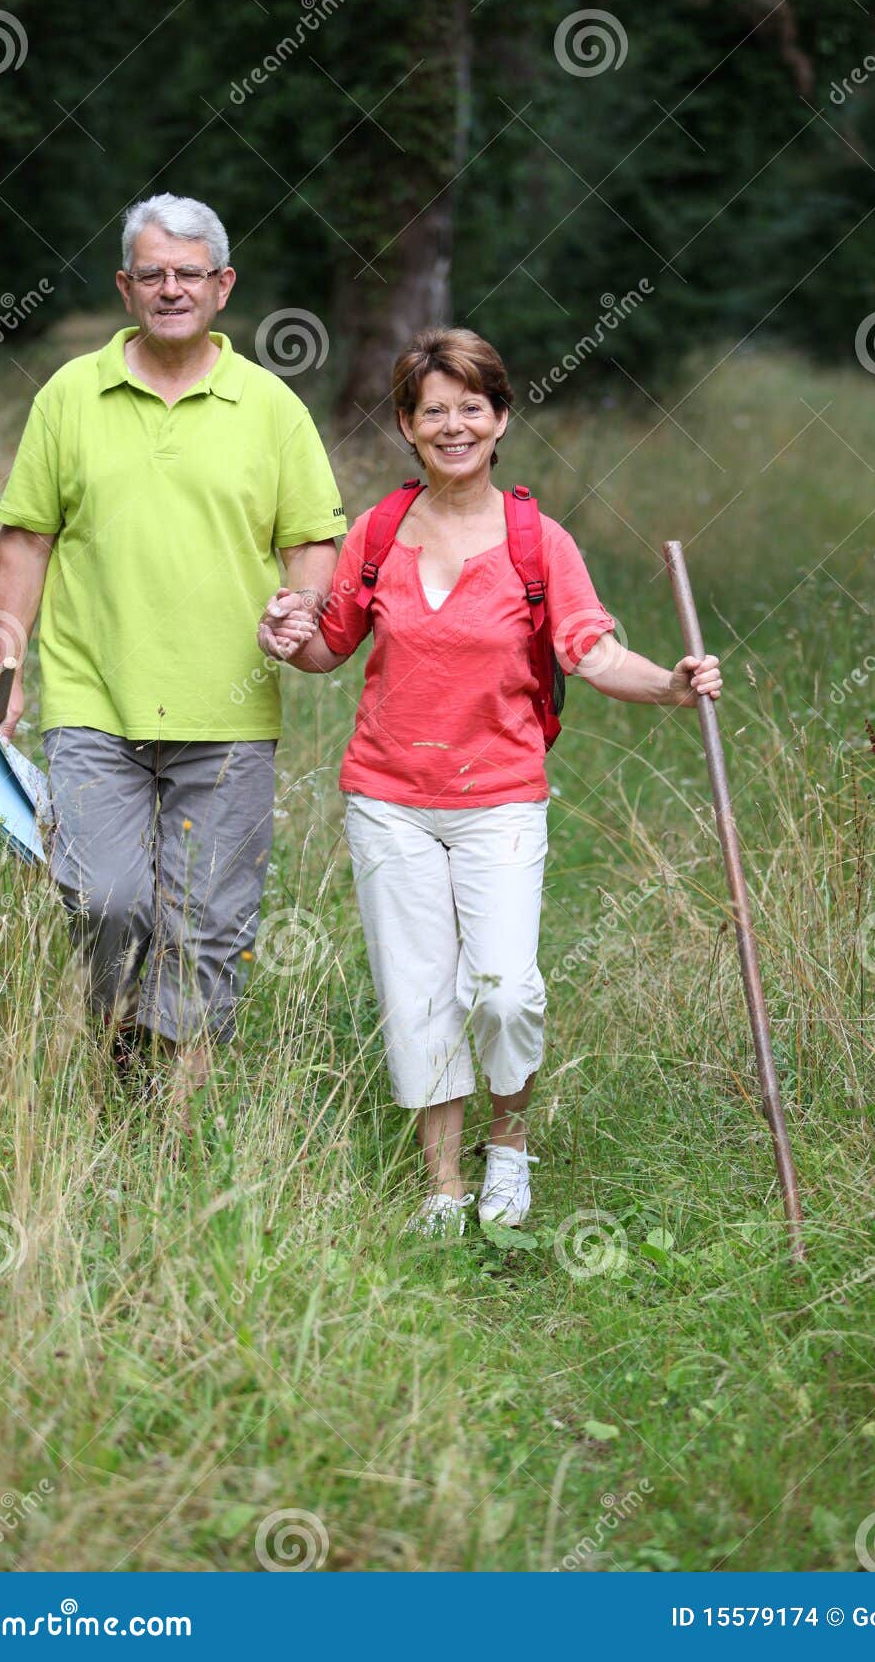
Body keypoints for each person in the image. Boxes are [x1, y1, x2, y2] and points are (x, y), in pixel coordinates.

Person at [260, 327, 721, 1233]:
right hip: (387, 801)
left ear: (501, 416)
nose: (453, 425)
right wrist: (283, 636)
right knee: (418, 992)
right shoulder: (378, 532)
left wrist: (669, 686)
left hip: (499, 800)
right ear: (406, 425)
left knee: (504, 988)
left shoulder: (535, 540)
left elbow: (591, 652)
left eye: (471, 406)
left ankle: (508, 1142)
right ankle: (443, 1185)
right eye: (433, 410)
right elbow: (328, 649)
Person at [0, 192, 344, 1121]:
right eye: (152, 274)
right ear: (125, 287)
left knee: (208, 924)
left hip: (229, 707)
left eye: (189, 273)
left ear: (222, 286)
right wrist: (7, 673)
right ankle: (123, 1037)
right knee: (105, 900)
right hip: (95, 697)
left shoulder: (270, 406)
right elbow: (26, 539)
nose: (170, 289)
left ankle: (168, 1121)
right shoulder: (69, 395)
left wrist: (298, 609)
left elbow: (312, 540)